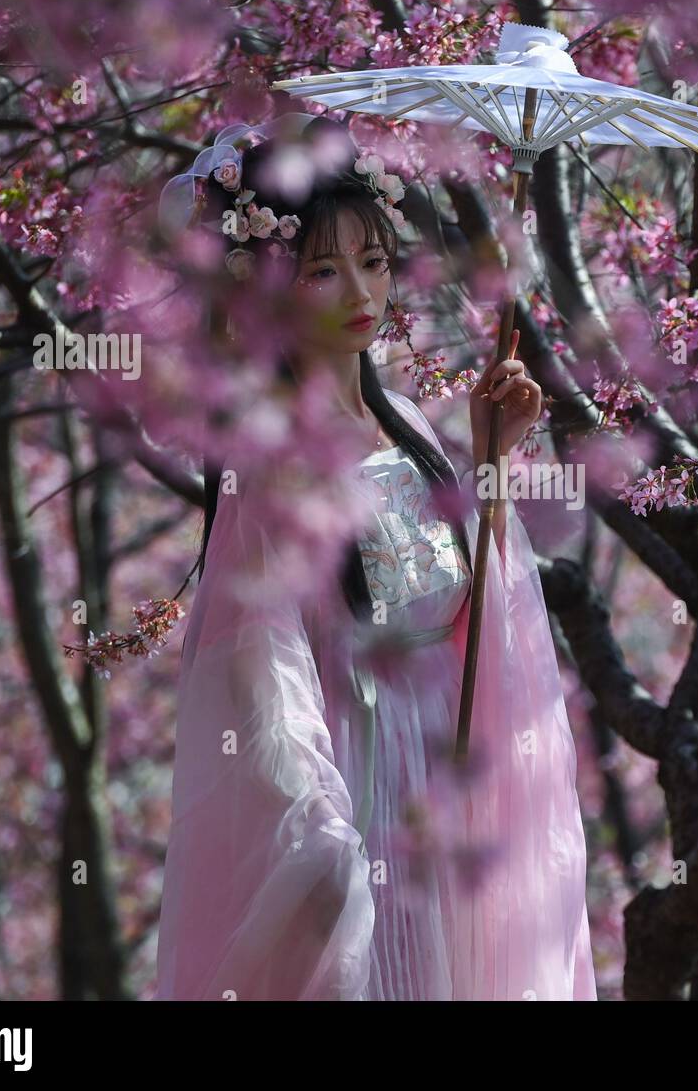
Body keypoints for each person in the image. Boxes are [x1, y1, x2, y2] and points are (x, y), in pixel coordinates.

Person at [153, 113, 596, 1000]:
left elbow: (472, 606)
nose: (360, 289)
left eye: (374, 260)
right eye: (322, 269)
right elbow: (261, 662)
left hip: (445, 774)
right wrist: (317, 829)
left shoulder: (415, 428)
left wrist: (490, 459)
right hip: (360, 780)